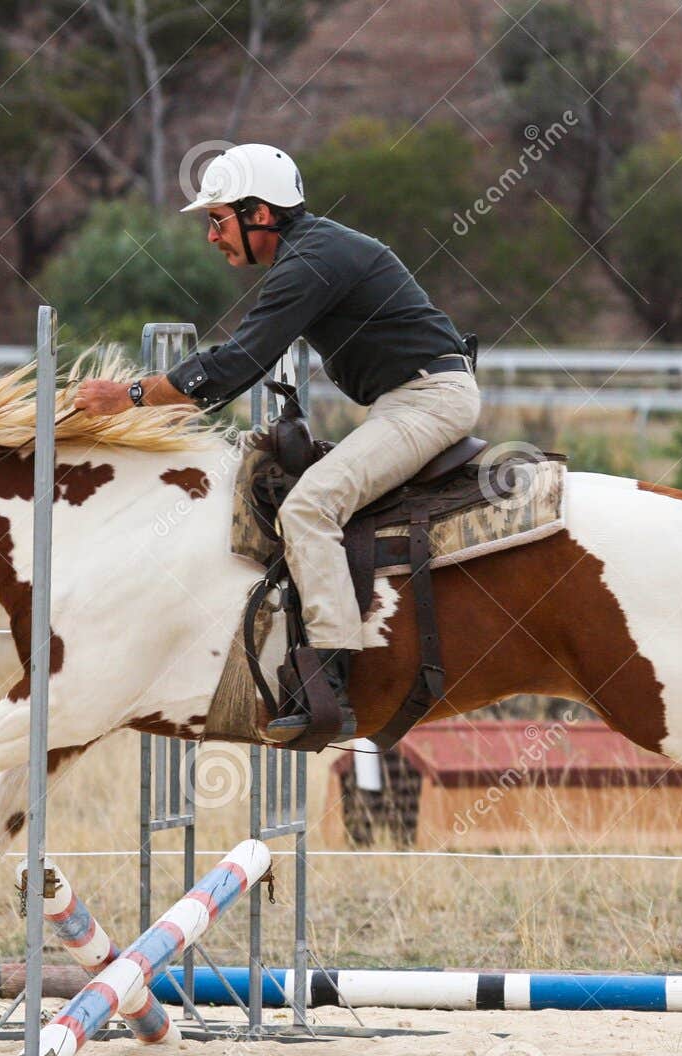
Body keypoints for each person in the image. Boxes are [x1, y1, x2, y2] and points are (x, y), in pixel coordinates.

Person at [74, 143, 481, 743]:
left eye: (218, 220)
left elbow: (237, 363)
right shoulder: (314, 252)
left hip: (427, 401)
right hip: (414, 398)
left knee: (308, 507)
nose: (212, 237)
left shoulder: (309, 263)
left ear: (259, 212)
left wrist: (129, 397)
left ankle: (331, 682)